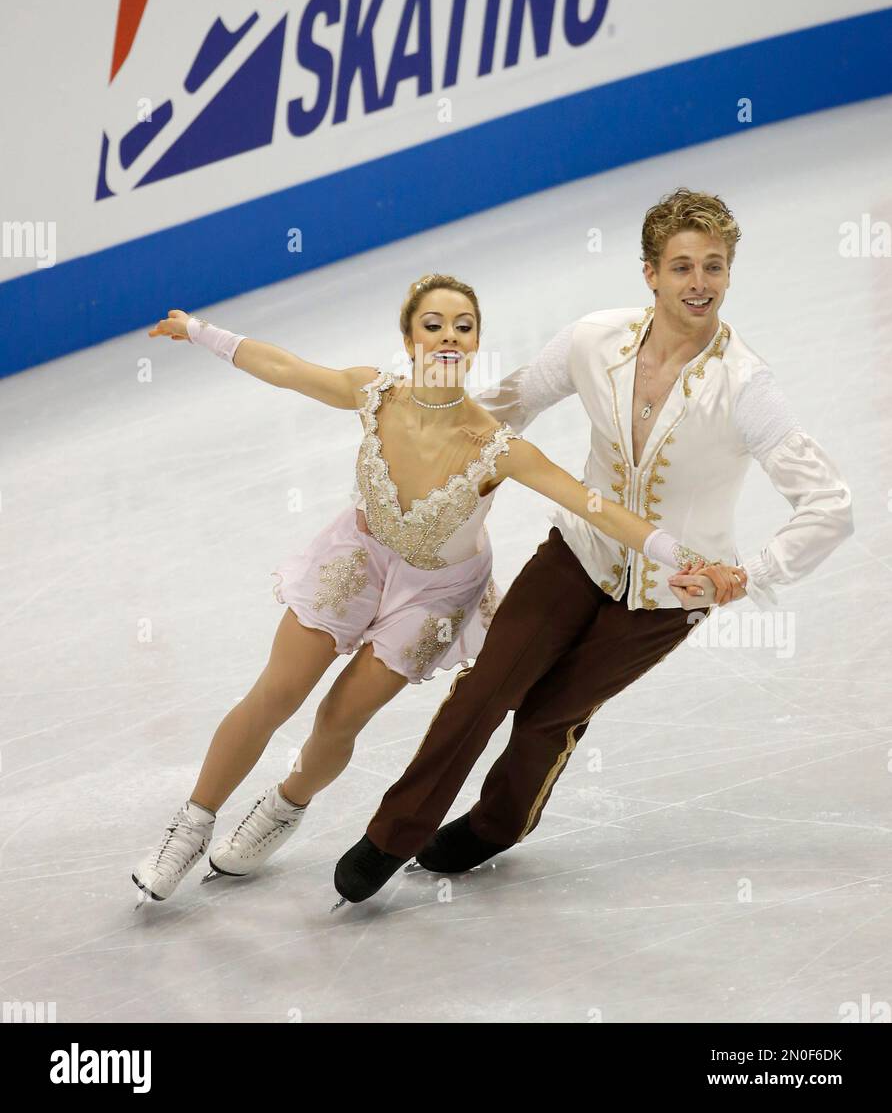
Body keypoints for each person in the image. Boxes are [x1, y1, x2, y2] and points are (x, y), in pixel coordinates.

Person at [131, 270, 740, 902]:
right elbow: (287, 368)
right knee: (277, 692)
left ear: (476, 343)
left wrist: (682, 555)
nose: (448, 336)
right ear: (409, 335)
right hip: (357, 559)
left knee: (339, 718)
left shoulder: (494, 444)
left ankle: (287, 804)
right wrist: (200, 331)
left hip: (434, 597)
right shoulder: (375, 394)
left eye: (463, 326)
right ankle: (191, 824)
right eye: (434, 324)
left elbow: (593, 505)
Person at [333, 190, 854, 904]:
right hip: (580, 549)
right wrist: (423, 423)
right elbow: (507, 406)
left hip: (673, 593)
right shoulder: (593, 340)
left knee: (550, 712)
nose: (698, 283)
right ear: (650, 273)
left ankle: (496, 825)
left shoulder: (746, 387)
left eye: (714, 266)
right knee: (487, 688)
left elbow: (830, 504)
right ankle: (391, 835)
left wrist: (752, 572)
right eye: (681, 267)